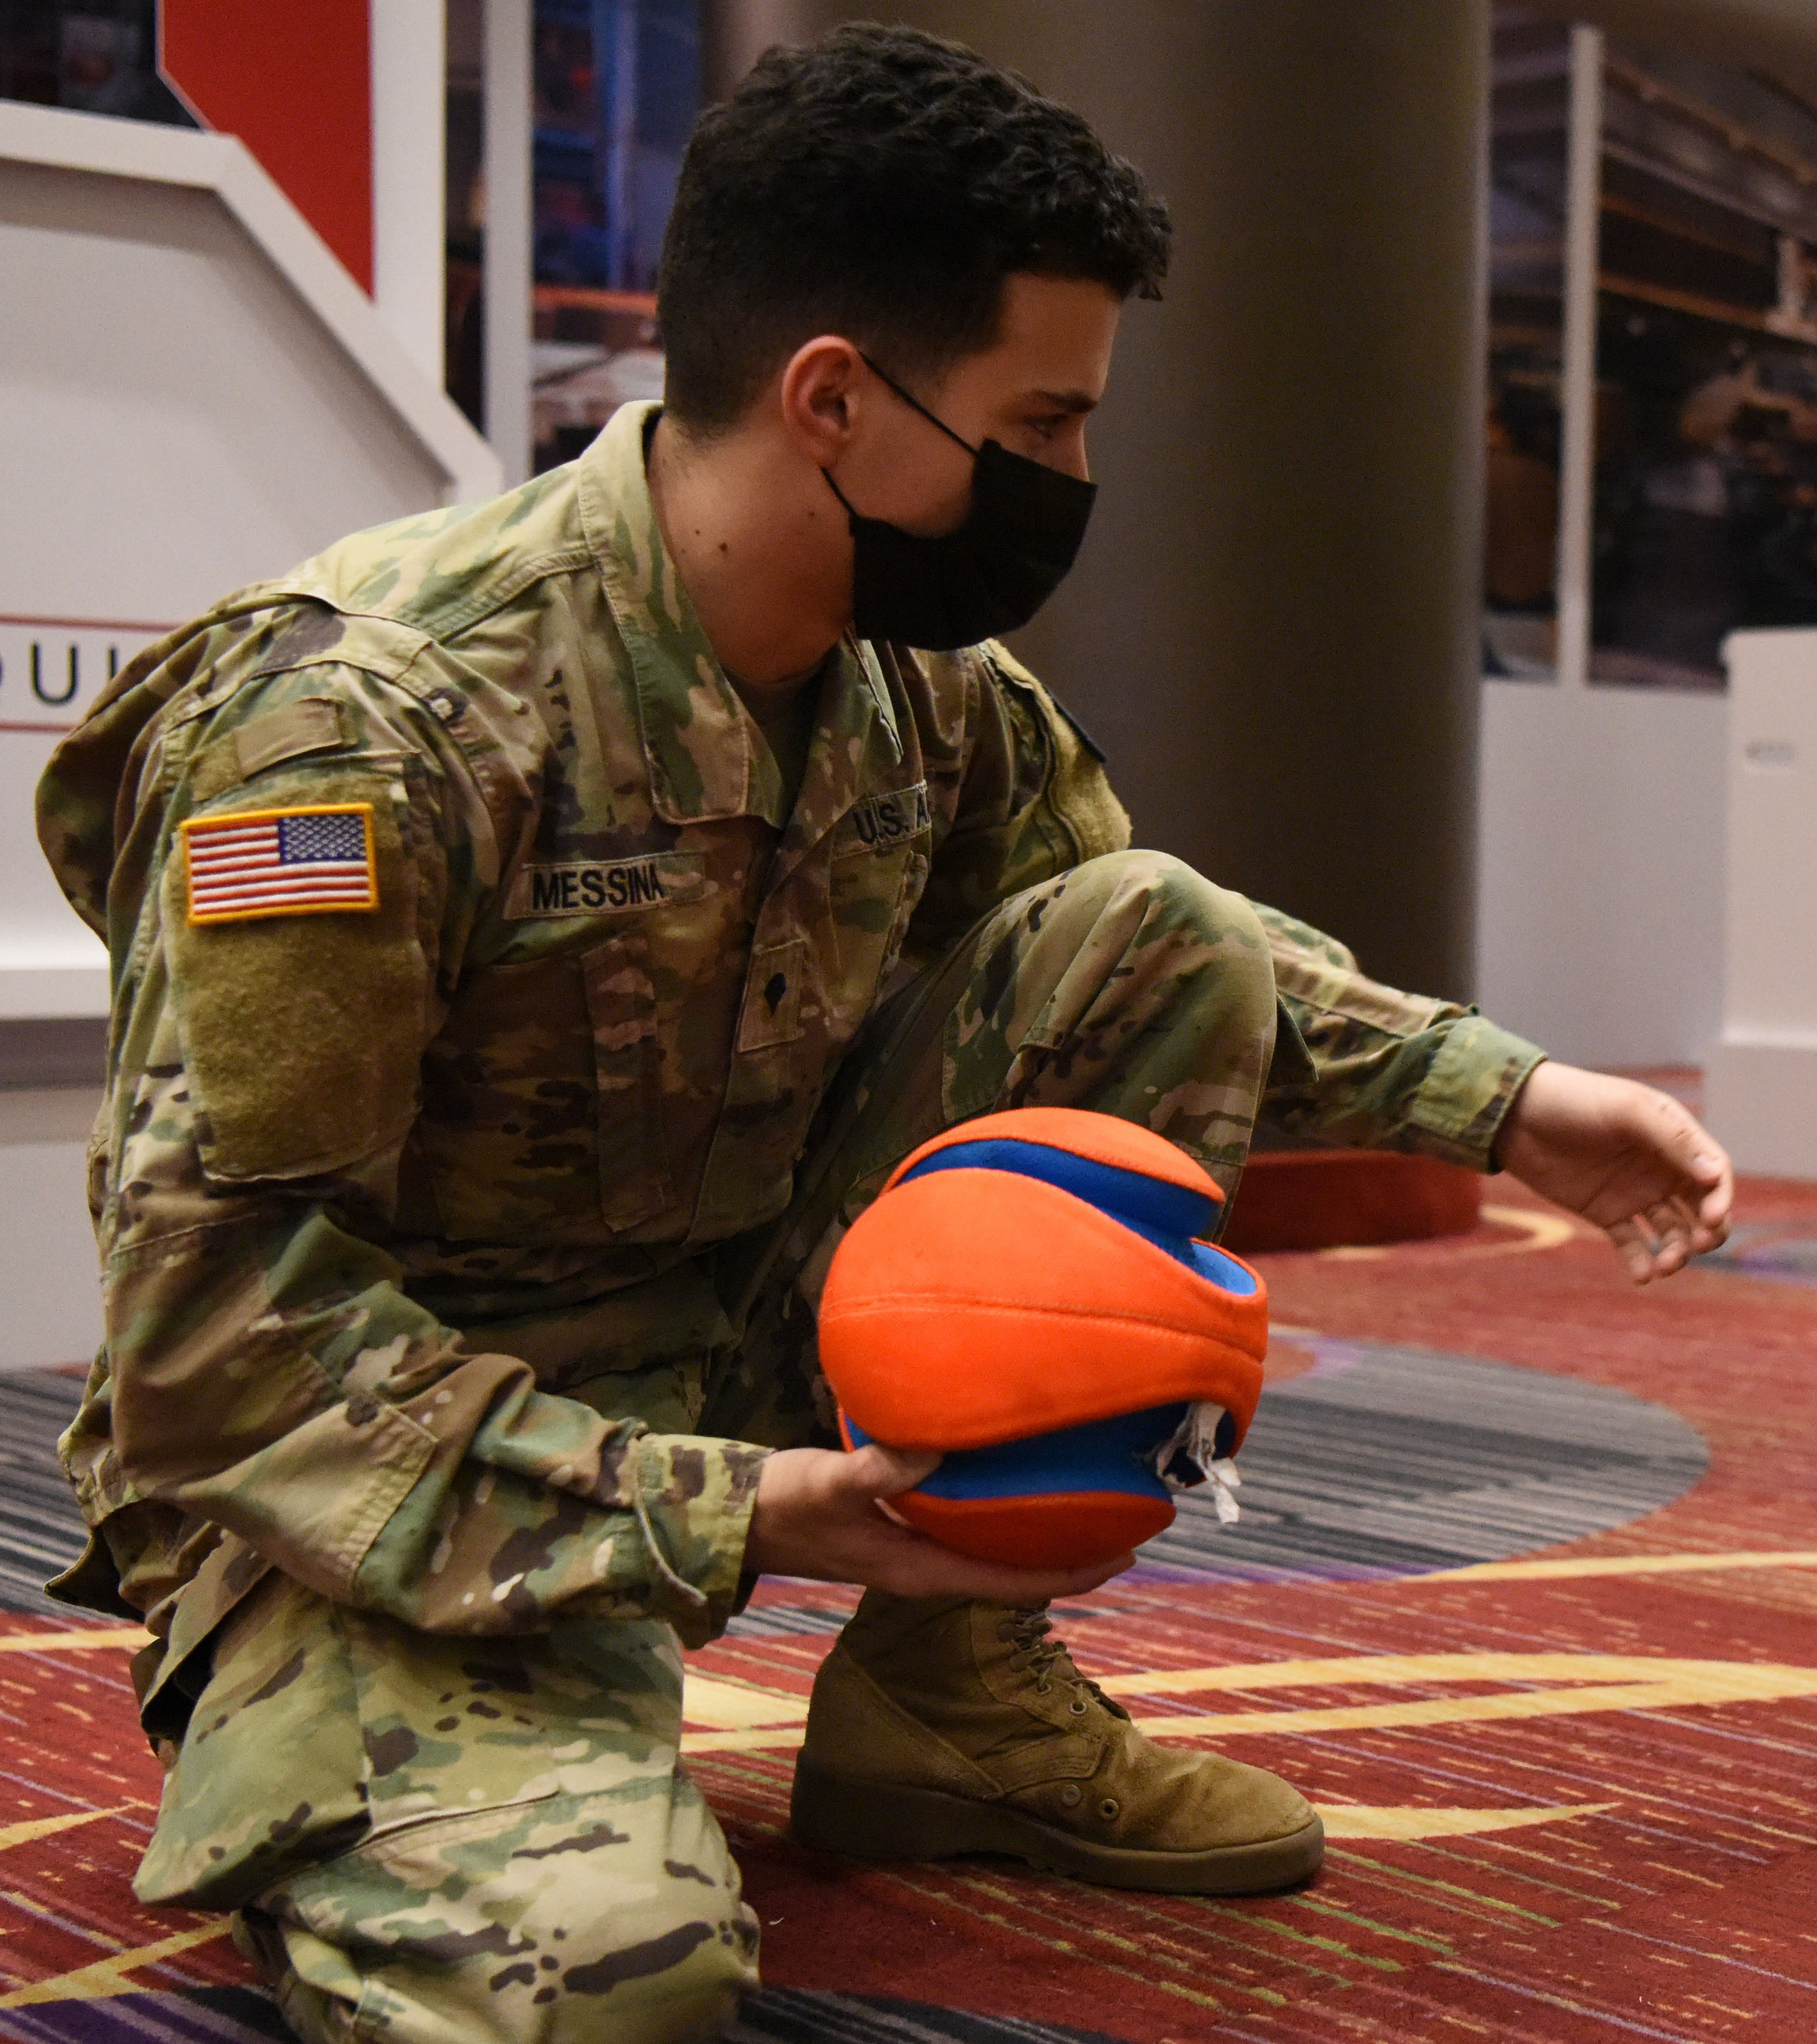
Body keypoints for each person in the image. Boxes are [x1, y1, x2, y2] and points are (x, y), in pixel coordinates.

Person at [33, 26, 1732, 2044]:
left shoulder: (910, 689)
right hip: (382, 1475)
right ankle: (385, 1761)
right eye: (1044, 422)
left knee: (1151, 931)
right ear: (832, 398)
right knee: (608, 1987)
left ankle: (950, 1703)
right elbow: (217, 1348)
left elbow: (1170, 956)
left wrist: (1511, 1103)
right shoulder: (366, 719)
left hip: (727, 1327)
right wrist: (731, 1510)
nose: (1070, 485)